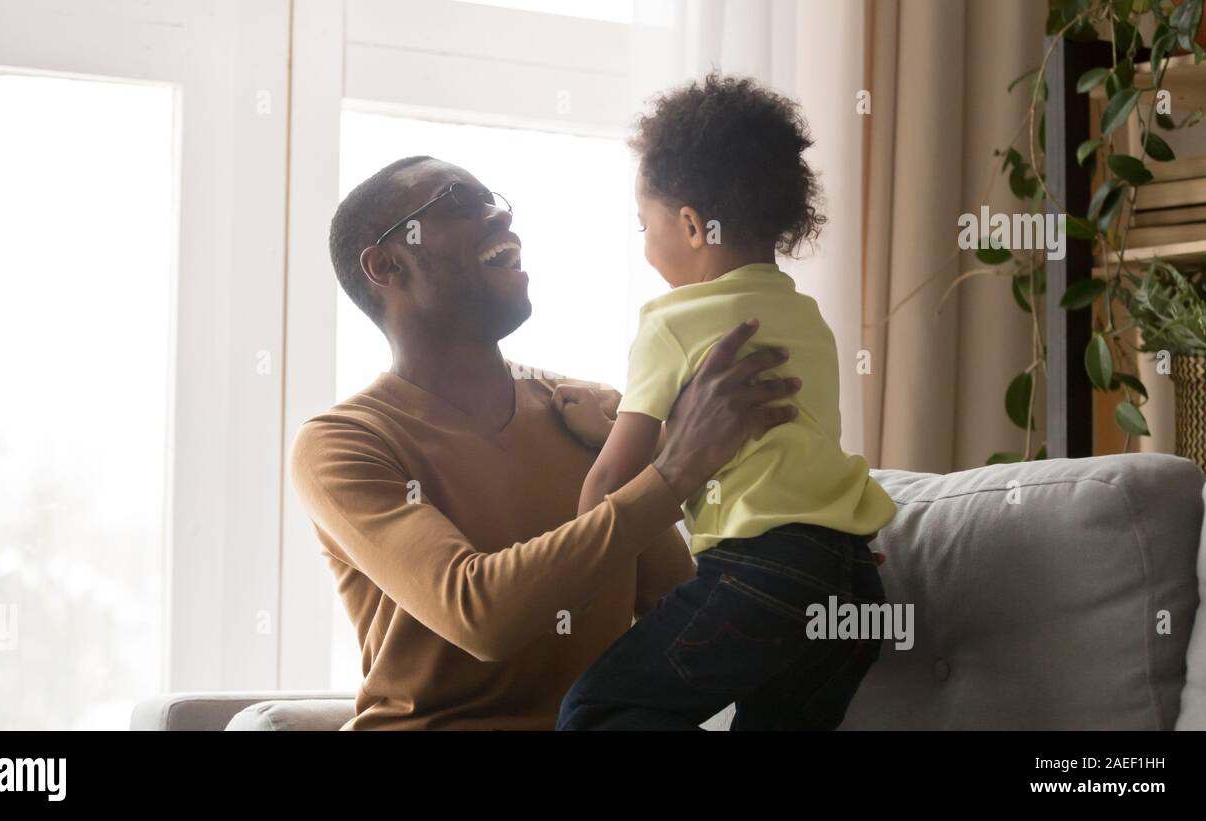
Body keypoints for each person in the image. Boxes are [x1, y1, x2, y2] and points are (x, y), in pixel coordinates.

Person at [288, 154, 802, 729]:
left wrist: (822, 550)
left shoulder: (592, 414)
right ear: (386, 264)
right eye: (458, 201)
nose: (498, 216)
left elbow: (676, 605)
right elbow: (480, 615)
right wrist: (675, 467)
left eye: (497, 202)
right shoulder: (342, 444)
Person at [556, 74, 897, 731]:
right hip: (851, 582)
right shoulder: (808, 319)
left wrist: (580, 560)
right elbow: (776, 453)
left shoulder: (671, 320)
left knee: (595, 709)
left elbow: (612, 488)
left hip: (758, 577)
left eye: (644, 225)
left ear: (689, 225)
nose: (645, 244)